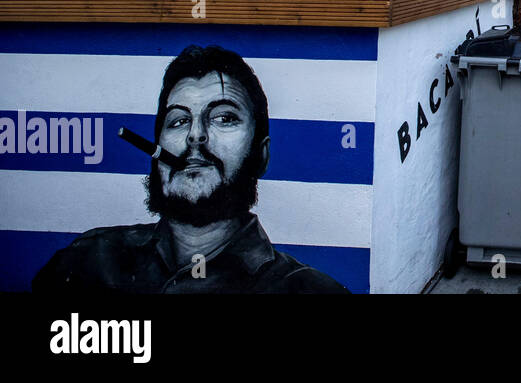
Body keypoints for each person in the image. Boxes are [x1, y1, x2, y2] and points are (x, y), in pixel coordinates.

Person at [33, 44, 348, 293]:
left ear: (261, 155)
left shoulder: (305, 289)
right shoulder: (86, 261)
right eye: (179, 120)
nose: (195, 135)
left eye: (224, 117)